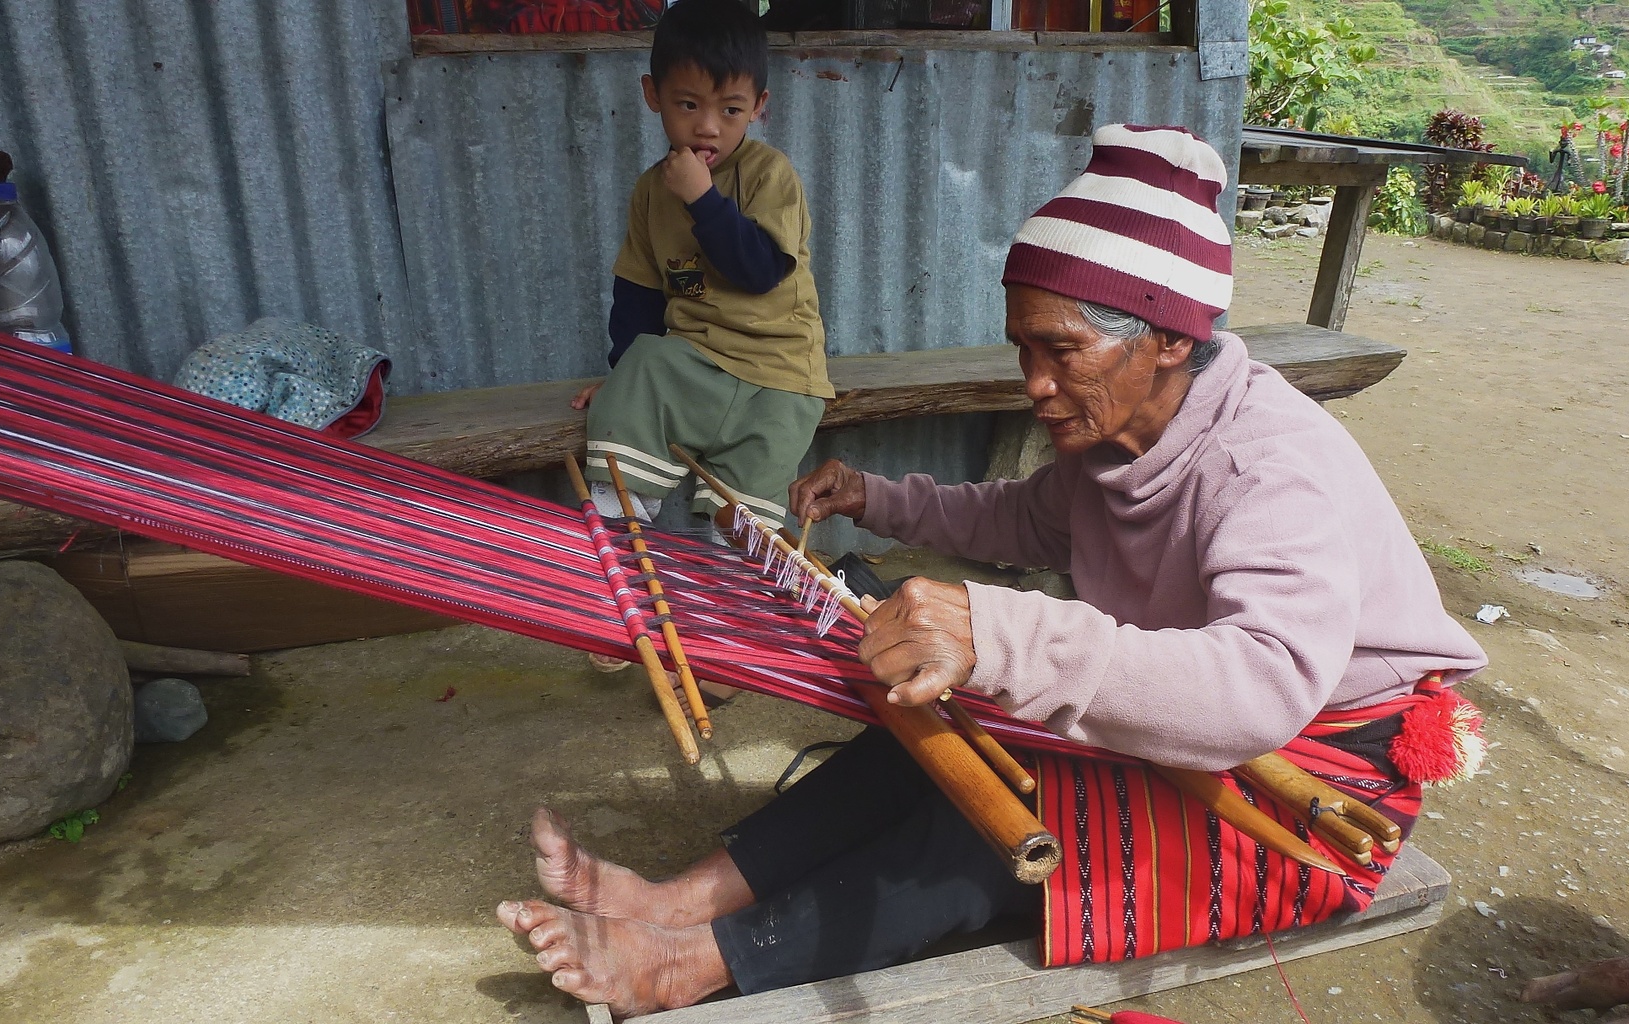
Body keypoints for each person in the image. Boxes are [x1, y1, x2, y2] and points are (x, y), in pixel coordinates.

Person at [498, 124, 1490, 1016]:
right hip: (1216, 730)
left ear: (1166, 339)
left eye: (1061, 351)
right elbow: (1027, 517)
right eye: (1023, 349)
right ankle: (677, 900)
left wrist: (1006, 634)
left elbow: (1260, 689)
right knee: (929, 730)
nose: (1035, 385)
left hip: (1317, 790)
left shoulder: (1268, 468)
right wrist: (878, 497)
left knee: (1016, 814)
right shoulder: (1119, 433)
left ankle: (690, 964)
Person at [571, 0, 833, 537]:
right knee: (644, 366)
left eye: (730, 110)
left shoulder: (770, 174)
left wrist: (702, 199)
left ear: (758, 106)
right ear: (653, 95)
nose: (707, 127)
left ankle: (723, 582)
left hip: (780, 376)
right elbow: (638, 295)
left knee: (738, 527)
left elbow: (760, 269)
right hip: (697, 367)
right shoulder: (652, 190)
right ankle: (618, 540)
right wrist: (623, 381)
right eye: (688, 104)